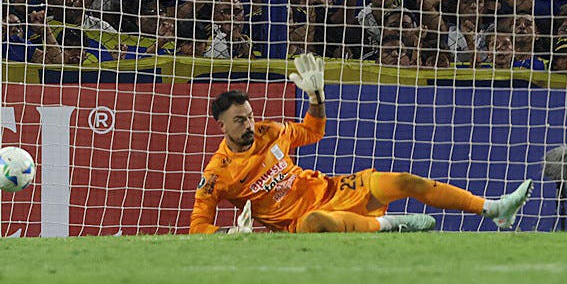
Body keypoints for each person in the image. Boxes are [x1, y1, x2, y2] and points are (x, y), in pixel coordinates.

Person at [190, 56, 535, 234]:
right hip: (302, 221)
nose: (250, 124)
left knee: (404, 181)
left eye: (250, 116)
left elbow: (313, 130)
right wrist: (229, 232)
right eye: (240, 121)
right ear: (220, 126)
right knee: (317, 224)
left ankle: (494, 208)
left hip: (332, 189)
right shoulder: (218, 174)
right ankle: (392, 225)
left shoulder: (271, 132)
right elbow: (198, 226)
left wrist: (316, 96)